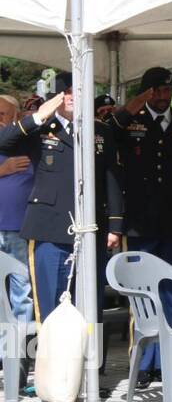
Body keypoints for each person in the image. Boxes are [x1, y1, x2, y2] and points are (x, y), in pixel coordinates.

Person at [0, 72, 124, 325]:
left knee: (91, 307)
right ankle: (53, 364)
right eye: (66, 92)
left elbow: (112, 176)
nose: (72, 97)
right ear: (56, 97)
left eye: (78, 91)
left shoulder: (100, 130)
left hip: (91, 227)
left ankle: (93, 364)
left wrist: (115, 224)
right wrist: (37, 116)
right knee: (50, 307)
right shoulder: (39, 128)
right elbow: (3, 142)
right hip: (50, 229)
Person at [111, 66, 172, 388]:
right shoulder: (130, 121)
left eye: (167, 92)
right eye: (157, 92)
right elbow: (108, 132)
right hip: (140, 223)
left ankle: (165, 361)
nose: (163, 98)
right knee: (142, 293)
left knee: (169, 292)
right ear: (146, 93)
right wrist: (132, 105)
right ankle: (143, 362)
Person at [0, 94, 35, 394]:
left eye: (3, 114)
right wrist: (3, 169)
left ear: (16, 116)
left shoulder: (27, 142)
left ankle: (18, 363)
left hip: (19, 232)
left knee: (21, 299)